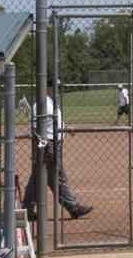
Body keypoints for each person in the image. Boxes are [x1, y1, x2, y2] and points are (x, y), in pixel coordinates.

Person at [22, 77, 93, 220]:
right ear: (48, 88)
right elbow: (35, 129)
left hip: (52, 145)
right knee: (58, 178)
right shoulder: (41, 104)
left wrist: (65, 129)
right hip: (49, 145)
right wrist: (41, 148)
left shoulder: (51, 103)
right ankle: (74, 208)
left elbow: (52, 124)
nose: (59, 91)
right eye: (57, 88)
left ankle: (26, 210)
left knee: (37, 179)